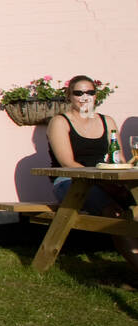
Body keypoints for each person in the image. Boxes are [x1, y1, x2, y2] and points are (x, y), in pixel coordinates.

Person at [47, 74, 138, 272]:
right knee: (114, 213)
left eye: (89, 92)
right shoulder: (60, 122)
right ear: (69, 96)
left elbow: (119, 159)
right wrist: (103, 181)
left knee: (134, 210)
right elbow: (68, 163)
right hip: (71, 181)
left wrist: (119, 178)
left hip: (107, 179)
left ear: (96, 96)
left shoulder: (107, 121)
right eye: (78, 92)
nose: (84, 97)